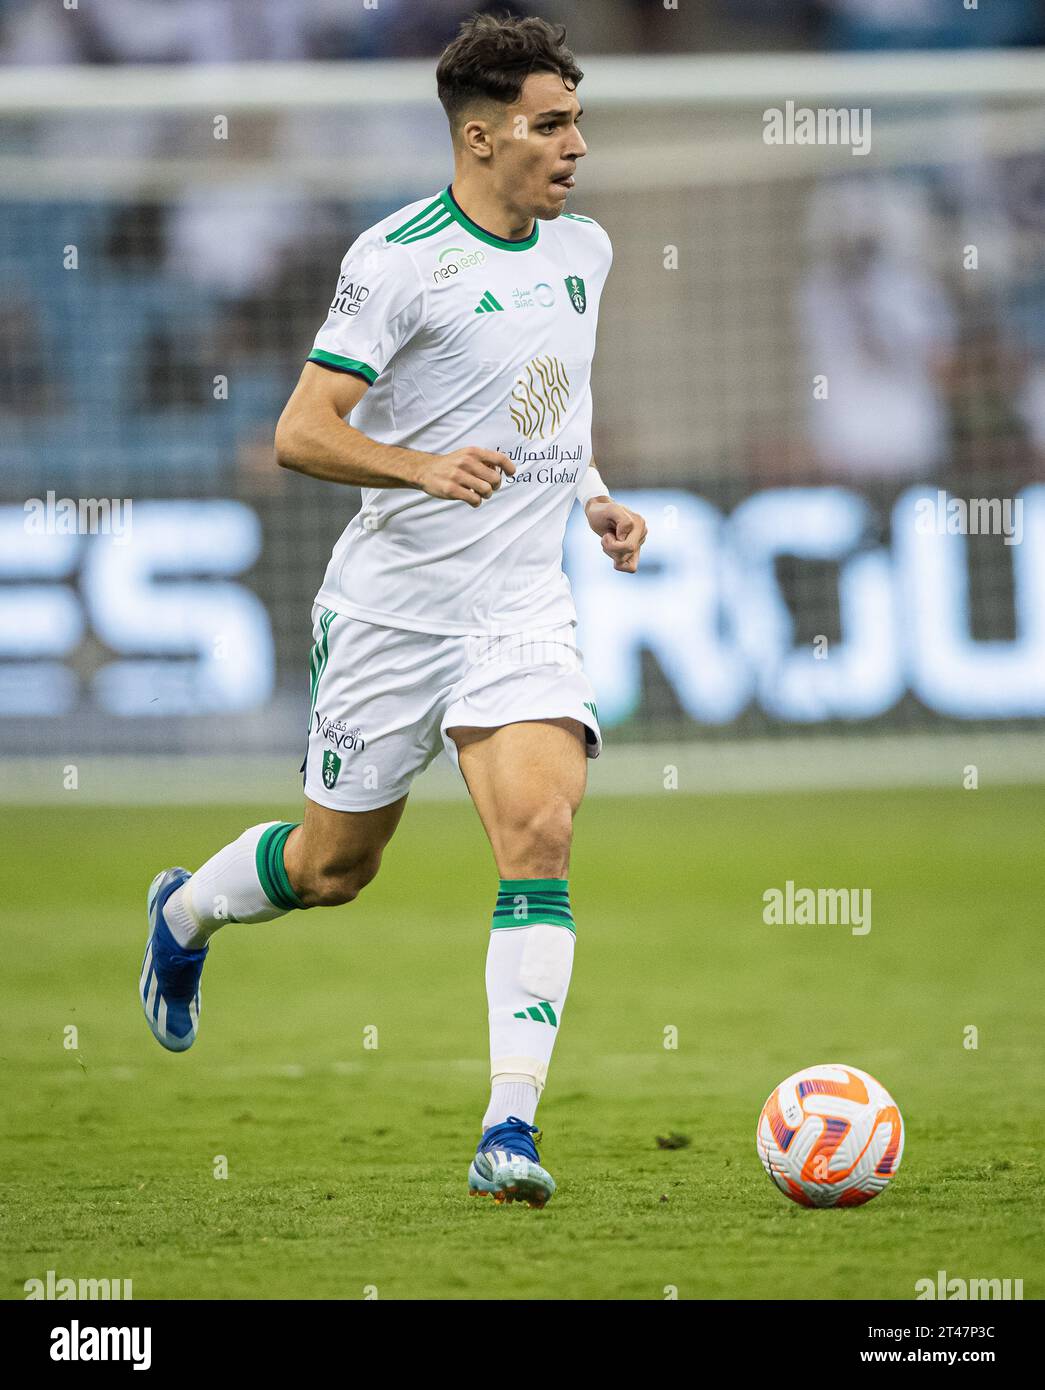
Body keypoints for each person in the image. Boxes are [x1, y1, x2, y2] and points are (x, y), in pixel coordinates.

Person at [138, 12, 647, 1210]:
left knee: (540, 839)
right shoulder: (397, 260)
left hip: (520, 607)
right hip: (391, 613)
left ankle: (506, 1130)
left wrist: (596, 493)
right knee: (331, 868)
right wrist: (421, 467)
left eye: (578, 120)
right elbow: (299, 432)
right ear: (480, 137)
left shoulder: (588, 253)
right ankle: (185, 911)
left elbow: (550, 403)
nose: (576, 145)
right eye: (551, 123)